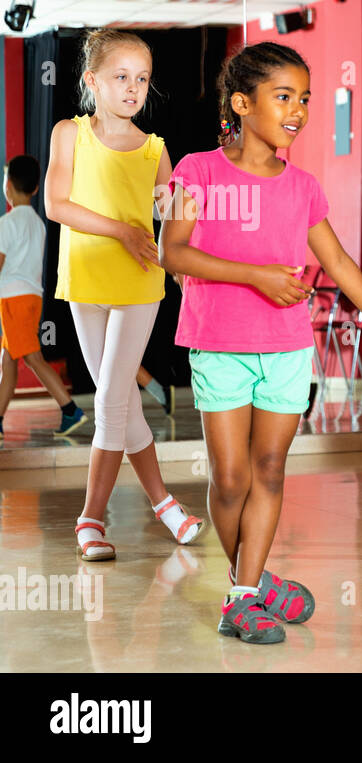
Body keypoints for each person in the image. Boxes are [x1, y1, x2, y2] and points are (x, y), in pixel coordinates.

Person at [160, 42, 362, 644]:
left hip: (287, 348)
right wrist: (256, 275)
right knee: (229, 481)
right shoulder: (192, 170)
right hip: (218, 345)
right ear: (242, 104)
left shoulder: (303, 185)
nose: (298, 110)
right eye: (284, 97)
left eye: (304, 98)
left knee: (269, 471)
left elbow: (340, 261)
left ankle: (242, 597)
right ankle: (255, 582)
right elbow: (173, 252)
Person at [44, 30, 204, 562]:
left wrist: (185, 261)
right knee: (124, 401)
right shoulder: (69, 133)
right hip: (85, 281)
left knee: (112, 401)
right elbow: (57, 204)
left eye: (142, 78)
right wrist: (121, 230)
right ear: (92, 80)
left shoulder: (155, 150)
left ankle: (90, 518)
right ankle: (164, 504)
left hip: (139, 284)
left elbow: (171, 224)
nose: (134, 87)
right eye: (122, 76)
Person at [0, 154, 88, 439]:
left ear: (8, 184)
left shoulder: (6, 223)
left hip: (12, 300)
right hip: (31, 299)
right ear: (36, 188)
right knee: (9, 361)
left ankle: (70, 409)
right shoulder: (38, 224)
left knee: (33, 358)